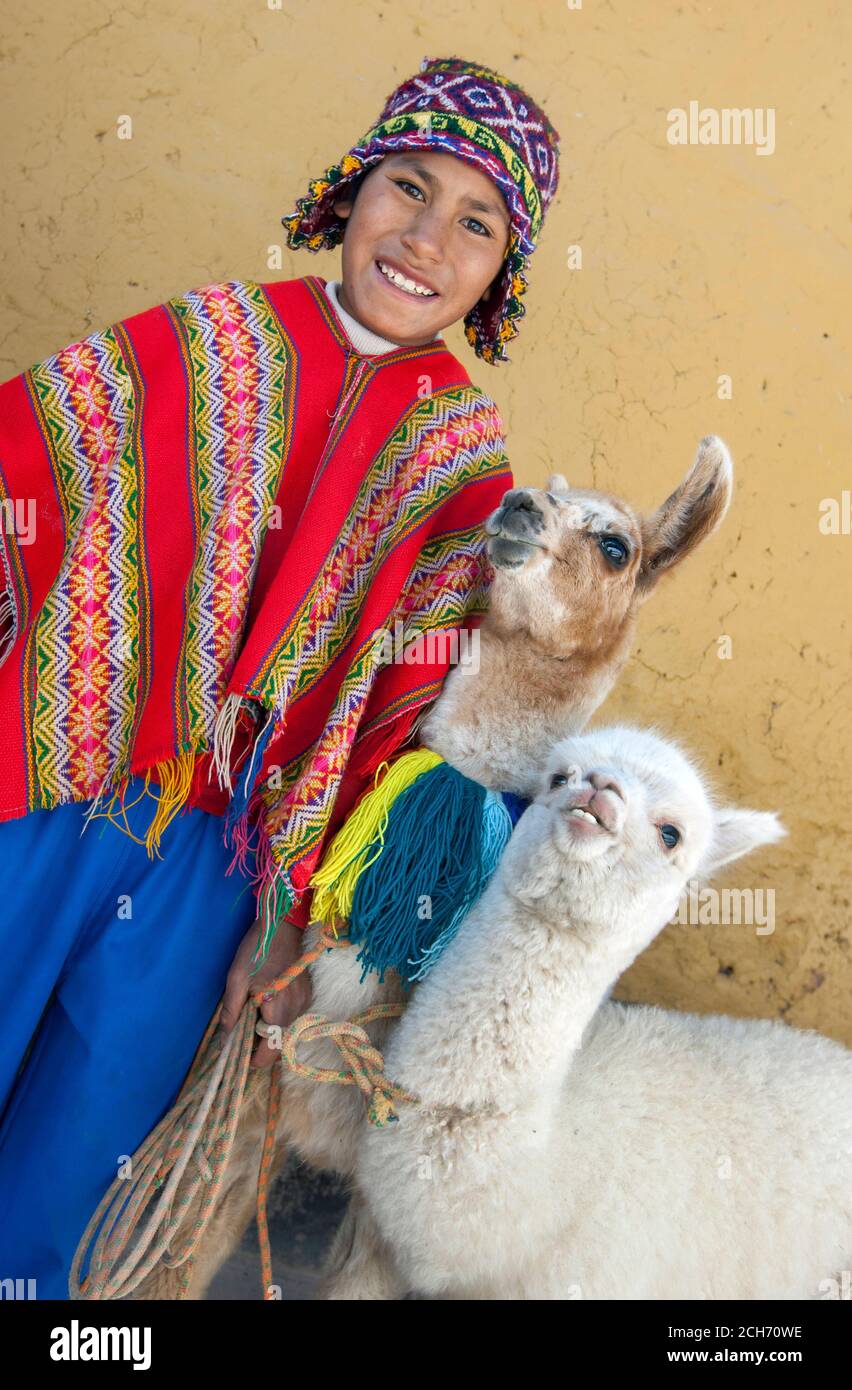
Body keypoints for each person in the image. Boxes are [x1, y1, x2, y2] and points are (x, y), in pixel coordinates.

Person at [0, 54, 560, 1298]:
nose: (425, 238)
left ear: (500, 275)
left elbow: (413, 715)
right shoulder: (212, 339)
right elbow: (27, 459)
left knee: (85, 1139)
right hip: (59, 786)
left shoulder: (461, 459)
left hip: (227, 870)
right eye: (407, 188)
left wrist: (298, 922)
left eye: (475, 225)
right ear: (352, 189)